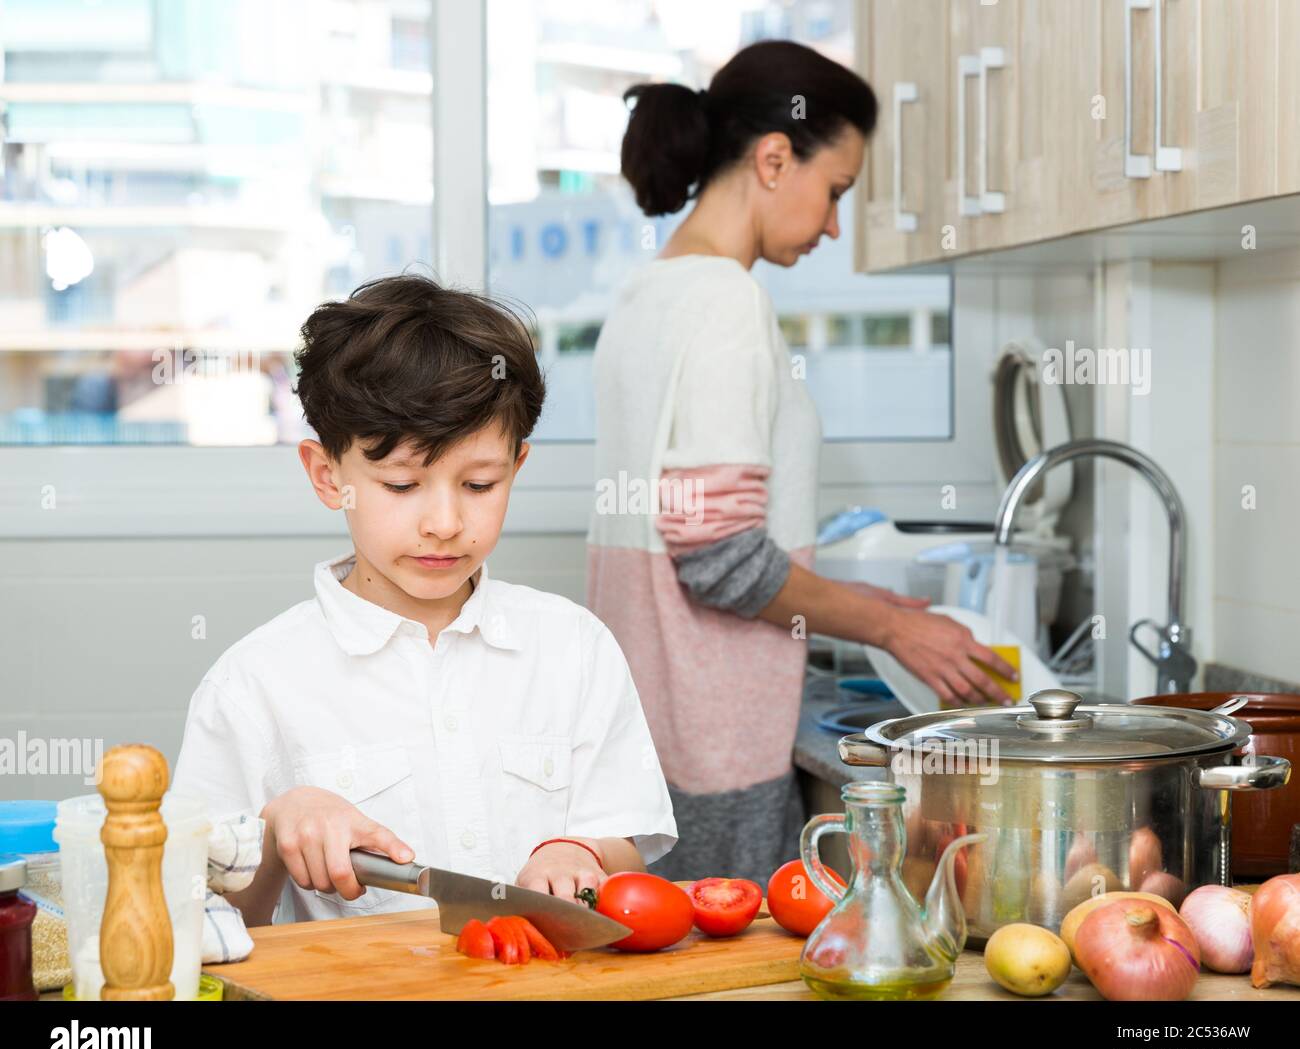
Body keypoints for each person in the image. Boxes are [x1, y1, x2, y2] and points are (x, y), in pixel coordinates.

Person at [587, 41, 1017, 884]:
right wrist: (896, 628)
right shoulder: (726, 303)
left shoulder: (649, 294)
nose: (831, 225)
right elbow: (718, 559)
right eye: (837, 192)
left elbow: (692, 531)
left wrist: (856, 599)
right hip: (715, 750)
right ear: (775, 157)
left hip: (644, 741)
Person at [173, 274, 677, 925]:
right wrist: (276, 831)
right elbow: (199, 918)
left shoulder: (573, 647)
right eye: (403, 485)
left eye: (478, 483)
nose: (444, 522)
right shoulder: (253, 684)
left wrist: (575, 849)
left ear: (516, 469)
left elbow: (626, 835)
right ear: (328, 476)